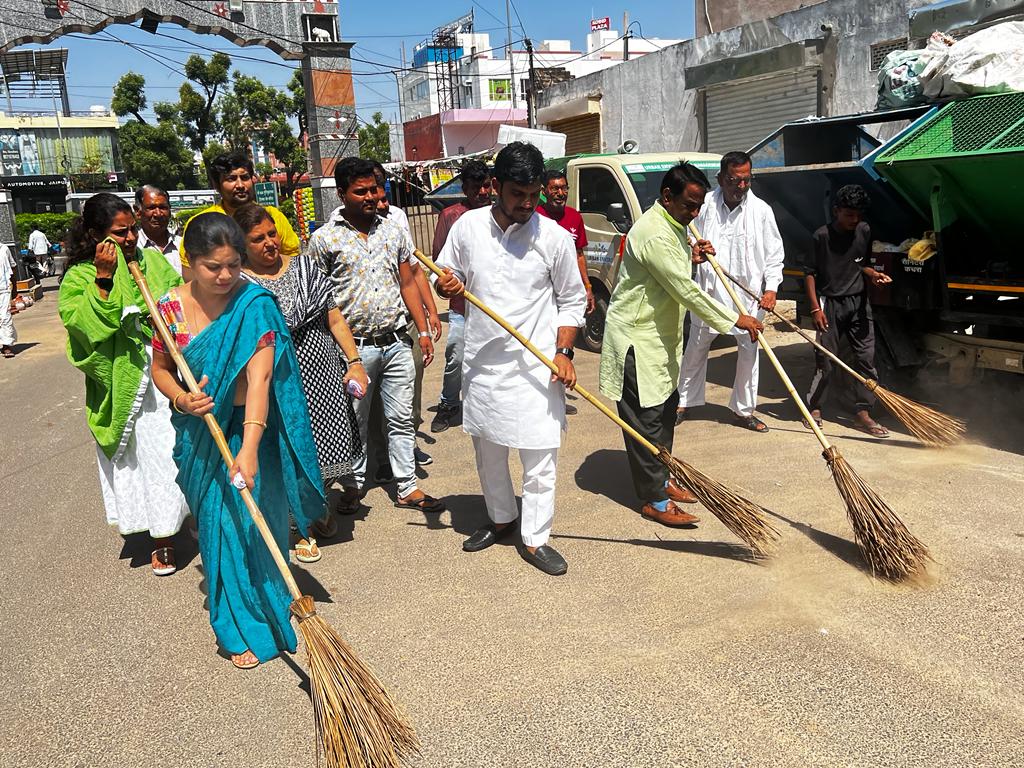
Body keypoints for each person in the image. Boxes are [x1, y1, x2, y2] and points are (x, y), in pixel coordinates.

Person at [150, 212, 325, 670]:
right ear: (189, 262)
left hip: (252, 430)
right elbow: (161, 370)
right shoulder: (167, 308)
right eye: (213, 267)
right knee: (220, 528)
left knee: (256, 524)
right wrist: (182, 399)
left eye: (232, 264)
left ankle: (269, 607)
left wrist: (248, 450)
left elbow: (262, 378)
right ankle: (233, 623)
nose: (226, 276)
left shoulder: (255, 304)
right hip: (202, 435)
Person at [435, 142, 586, 576]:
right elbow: (449, 273)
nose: (527, 203)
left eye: (533, 194)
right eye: (518, 194)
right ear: (495, 187)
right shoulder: (467, 227)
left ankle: (536, 538)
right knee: (489, 454)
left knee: (540, 458)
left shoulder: (554, 238)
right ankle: (502, 519)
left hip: (536, 367)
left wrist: (563, 351)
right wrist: (448, 284)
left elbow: (572, 301)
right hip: (483, 364)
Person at [599, 163, 763, 528]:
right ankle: (654, 499)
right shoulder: (655, 232)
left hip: (660, 339)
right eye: (689, 205)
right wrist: (736, 319)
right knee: (644, 423)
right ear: (667, 197)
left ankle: (663, 476)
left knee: (664, 412)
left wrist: (691, 255)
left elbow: (669, 270)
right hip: (636, 341)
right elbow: (684, 290)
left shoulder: (674, 227)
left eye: (699, 206)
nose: (695, 213)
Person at [57, 193, 189, 575]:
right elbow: (82, 327)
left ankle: (182, 518)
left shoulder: (149, 261)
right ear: (96, 233)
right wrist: (103, 279)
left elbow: (178, 300)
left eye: (132, 229)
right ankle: (161, 537)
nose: (131, 238)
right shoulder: (79, 275)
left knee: (170, 452)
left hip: (163, 373)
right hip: (124, 384)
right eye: (120, 232)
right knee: (142, 460)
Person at [308, 157, 444, 515]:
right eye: (360, 191)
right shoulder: (323, 240)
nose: (370, 196)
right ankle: (352, 486)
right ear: (341, 194)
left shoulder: (393, 230)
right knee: (355, 420)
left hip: (397, 342)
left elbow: (408, 282)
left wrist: (424, 330)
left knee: (401, 419)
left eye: (374, 189)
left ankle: (407, 487)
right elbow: (318, 298)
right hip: (354, 351)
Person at [234, 203, 367, 563]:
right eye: (257, 239)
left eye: (271, 233)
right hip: (277, 377)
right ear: (242, 245)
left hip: (321, 371)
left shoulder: (307, 266)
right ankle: (298, 526)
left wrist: (354, 363)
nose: (269, 243)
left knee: (326, 444)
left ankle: (317, 507)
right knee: (288, 447)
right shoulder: (241, 285)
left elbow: (335, 319)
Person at [677, 151, 784, 433]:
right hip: (710, 294)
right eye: (735, 181)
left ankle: (743, 410)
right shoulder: (704, 206)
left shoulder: (761, 211)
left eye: (746, 181)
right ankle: (684, 402)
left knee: (749, 353)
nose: (741, 187)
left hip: (748, 299)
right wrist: (695, 248)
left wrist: (771, 289)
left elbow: (774, 255)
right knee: (696, 348)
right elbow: (685, 237)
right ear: (721, 178)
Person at [804, 184, 891, 437]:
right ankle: (815, 407)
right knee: (826, 362)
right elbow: (809, 274)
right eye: (849, 214)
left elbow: (858, 264)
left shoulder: (864, 231)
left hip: (858, 304)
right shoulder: (821, 236)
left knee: (866, 360)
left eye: (858, 215)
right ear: (836, 211)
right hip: (829, 304)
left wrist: (873, 274)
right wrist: (814, 309)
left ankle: (863, 413)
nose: (854, 220)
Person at [369, 160, 439, 471]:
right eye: (369, 192)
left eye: (381, 193)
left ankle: (407, 446)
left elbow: (413, 272)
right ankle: (380, 456)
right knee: (371, 401)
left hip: (404, 323)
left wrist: (428, 315)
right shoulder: (336, 228)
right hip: (366, 331)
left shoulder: (397, 218)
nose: (378, 202)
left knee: (410, 385)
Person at [429, 160, 492, 433]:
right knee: (456, 355)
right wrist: (449, 283)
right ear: (465, 188)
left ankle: (490, 405)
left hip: (494, 307)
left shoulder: (501, 215)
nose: (482, 192)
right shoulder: (451, 216)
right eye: (475, 187)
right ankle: (449, 404)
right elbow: (439, 263)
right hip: (461, 307)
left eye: (486, 185)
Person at [179, 151, 299, 274]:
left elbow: (293, 261)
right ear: (216, 185)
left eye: (245, 177)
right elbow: (190, 273)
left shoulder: (272, 216)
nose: (240, 185)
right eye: (231, 179)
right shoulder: (202, 224)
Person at [536, 168, 593, 416]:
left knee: (566, 340)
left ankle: (558, 384)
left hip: (568, 292)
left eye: (564, 188)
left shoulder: (574, 217)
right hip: (546, 292)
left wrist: (587, 286)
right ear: (544, 192)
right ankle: (543, 391)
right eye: (554, 188)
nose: (560, 193)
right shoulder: (536, 217)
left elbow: (579, 254)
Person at [135, 185, 183, 275]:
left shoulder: (183, 246)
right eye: (151, 208)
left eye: (163, 207)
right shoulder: (133, 248)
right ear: (138, 212)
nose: (158, 214)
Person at [1, 241, 17, 358]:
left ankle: (7, 345)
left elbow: (13, 266)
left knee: (5, 316)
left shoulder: (4, 249)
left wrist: (15, 288)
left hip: (4, 288)